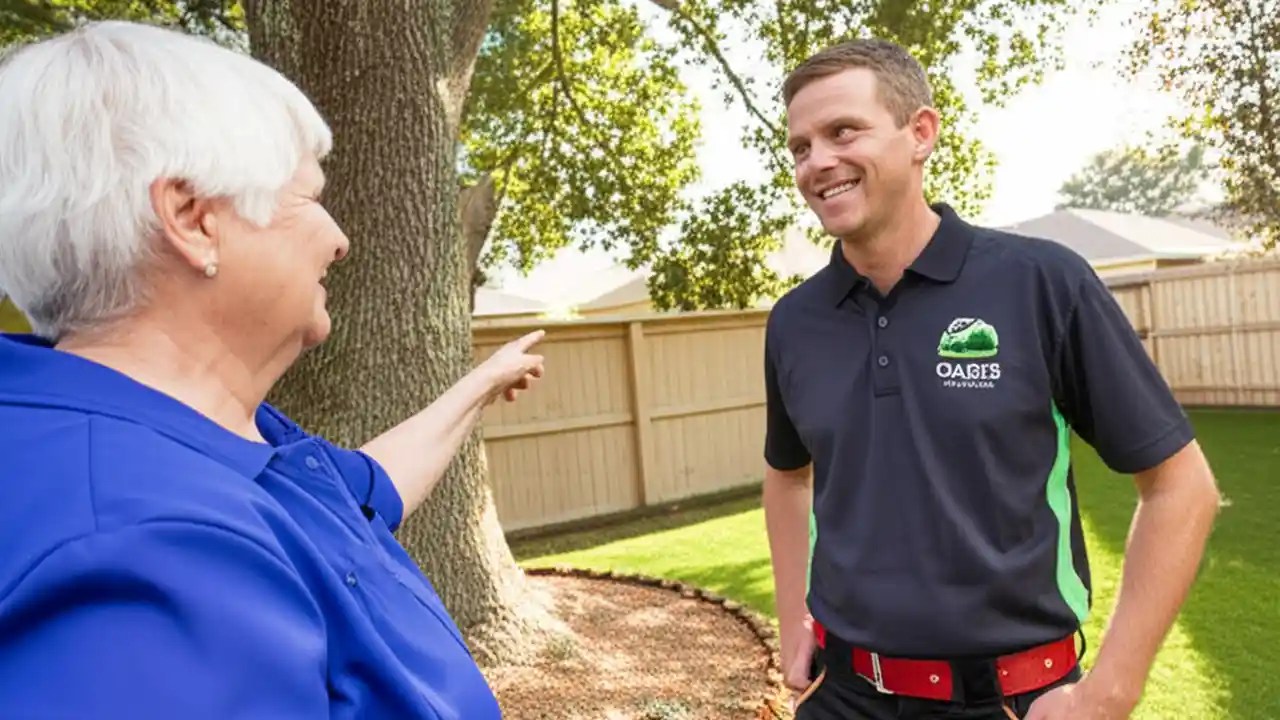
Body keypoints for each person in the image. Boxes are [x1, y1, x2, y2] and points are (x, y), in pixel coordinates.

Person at [0, 21, 541, 719]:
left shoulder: (208, 443)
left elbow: (359, 497)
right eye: (311, 199)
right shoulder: (146, 553)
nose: (340, 240)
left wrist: (481, 383)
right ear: (193, 219)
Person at [762, 38, 1222, 720]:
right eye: (800, 147)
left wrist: (1111, 691)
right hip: (843, 698)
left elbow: (1182, 486)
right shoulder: (795, 322)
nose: (817, 162)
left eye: (842, 131)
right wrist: (792, 612)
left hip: (1011, 700)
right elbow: (786, 474)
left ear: (921, 133)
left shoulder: (1041, 283)